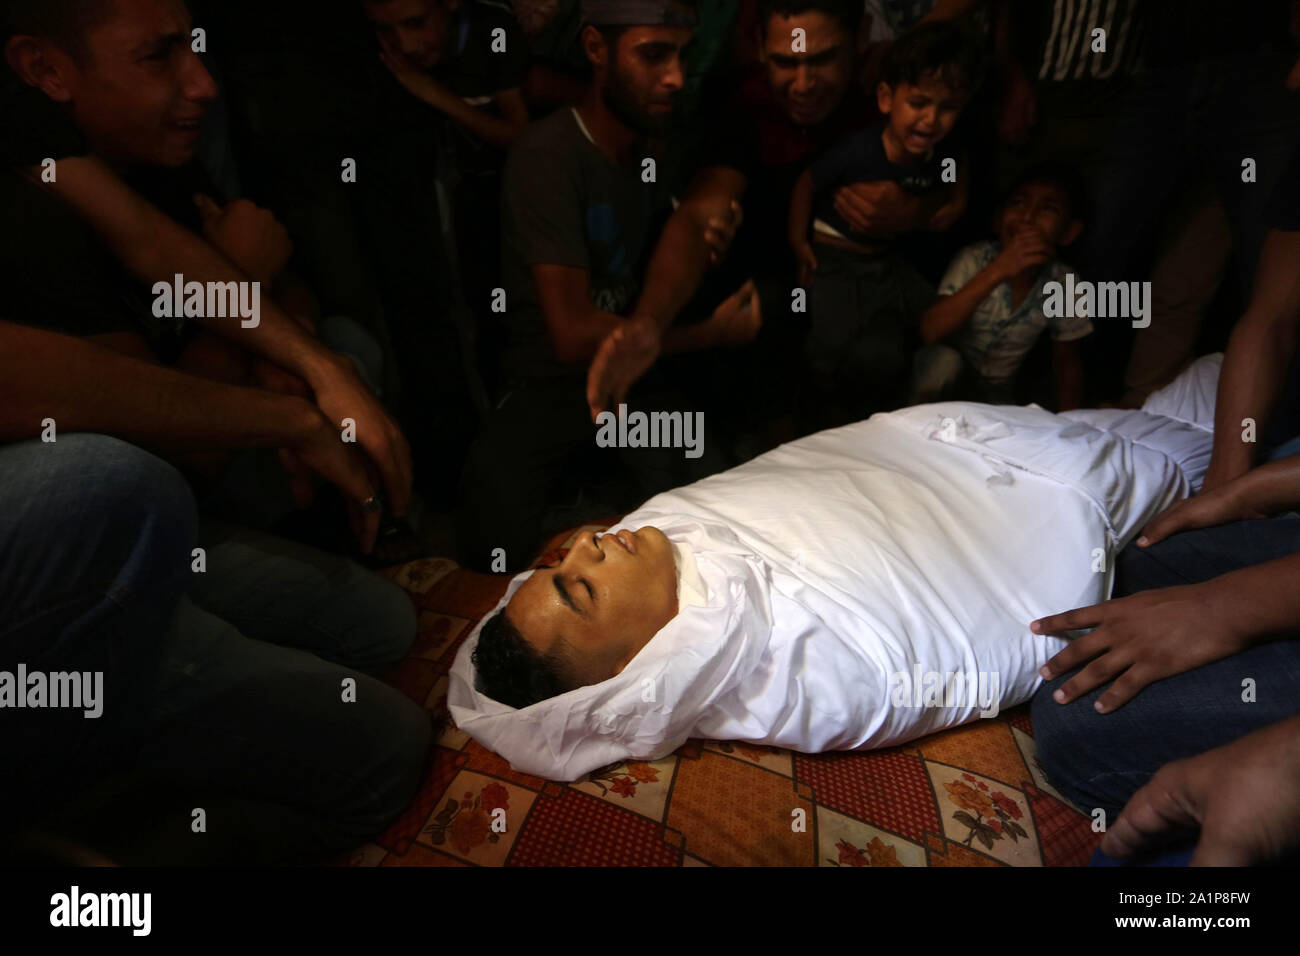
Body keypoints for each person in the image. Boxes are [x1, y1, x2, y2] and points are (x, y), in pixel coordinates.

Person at [450, 356, 1221, 781]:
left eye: (559, 561)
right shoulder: (815, 676)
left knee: (1197, 393)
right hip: (1055, 494)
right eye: (581, 586)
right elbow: (966, 639)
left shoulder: (668, 528)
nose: (589, 545)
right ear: (629, 670)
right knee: (1202, 421)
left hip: (953, 443)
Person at [0, 320, 431, 864]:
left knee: (384, 626)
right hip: (58, 579)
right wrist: (287, 418)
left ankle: (146, 772)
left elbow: (168, 265)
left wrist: (290, 359)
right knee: (388, 751)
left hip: (105, 548)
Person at [457, 0, 755, 572]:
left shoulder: (654, 143)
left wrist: (708, 224)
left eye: (683, 56)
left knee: (712, 503)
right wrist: (706, 335)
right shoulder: (548, 154)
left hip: (631, 391)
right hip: (549, 390)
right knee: (490, 539)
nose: (675, 76)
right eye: (653, 55)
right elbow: (570, 336)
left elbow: (693, 219)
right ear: (597, 49)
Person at [788, 19, 982, 425]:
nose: (930, 120)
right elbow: (806, 183)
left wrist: (957, 203)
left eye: (947, 108)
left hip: (885, 259)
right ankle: (813, 415)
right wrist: (799, 244)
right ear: (885, 99)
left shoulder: (940, 152)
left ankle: (902, 406)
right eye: (918, 103)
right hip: (835, 258)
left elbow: (955, 166)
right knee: (829, 340)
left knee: (931, 317)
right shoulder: (860, 151)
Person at [912, 161, 1088, 408]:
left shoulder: (1065, 284)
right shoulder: (973, 259)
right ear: (997, 220)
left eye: (1048, 209)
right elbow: (930, 331)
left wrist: (1073, 422)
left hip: (998, 400)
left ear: (1069, 232)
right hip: (945, 388)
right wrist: (1000, 269)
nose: (1028, 217)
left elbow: (1066, 363)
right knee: (943, 360)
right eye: (1018, 203)